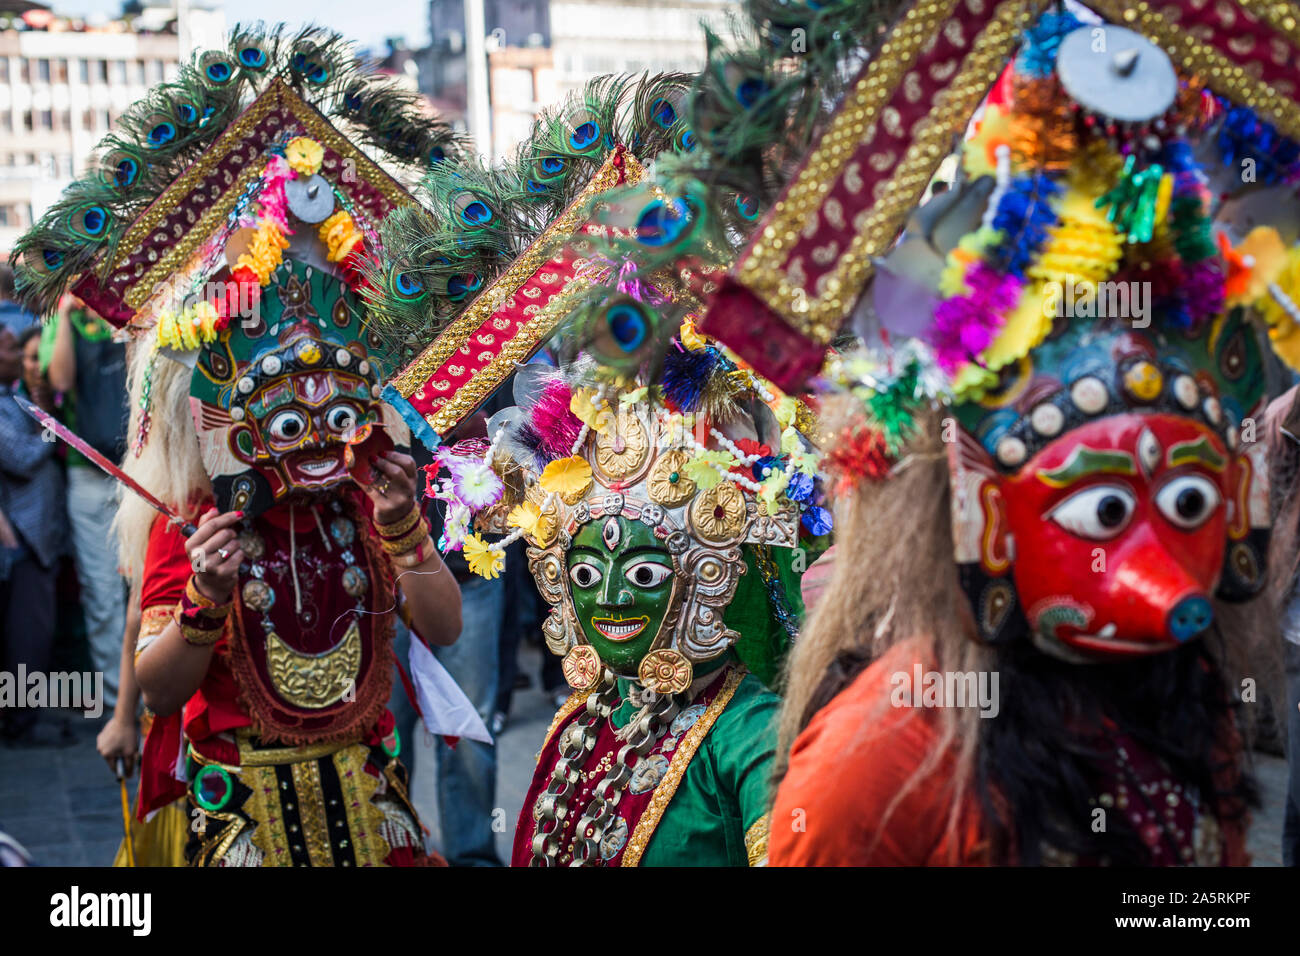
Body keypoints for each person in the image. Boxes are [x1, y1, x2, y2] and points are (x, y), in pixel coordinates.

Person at [758, 12, 1289, 865]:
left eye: (1188, 499)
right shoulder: (882, 758)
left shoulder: (1191, 701)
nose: (1156, 570)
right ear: (984, 514)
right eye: (1101, 508)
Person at [10, 25, 464, 866]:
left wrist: (408, 534)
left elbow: (442, 626)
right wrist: (208, 596)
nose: (317, 428)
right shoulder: (195, 519)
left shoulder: (367, 501)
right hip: (246, 820)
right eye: (284, 407)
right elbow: (158, 687)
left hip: (373, 810)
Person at [371, 77, 823, 866]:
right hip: (611, 683)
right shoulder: (590, 372)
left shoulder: (755, 345)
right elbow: (521, 478)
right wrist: (495, 474)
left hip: (737, 663)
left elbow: (801, 464)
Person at [46, 296, 128, 713]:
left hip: (139, 477)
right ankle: (119, 708)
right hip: (89, 478)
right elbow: (60, 381)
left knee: (149, 589)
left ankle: (157, 704)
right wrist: (63, 315)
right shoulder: (65, 322)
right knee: (102, 597)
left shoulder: (130, 311)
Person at [0, 322, 68, 746]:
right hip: (22, 540)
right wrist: (52, 423)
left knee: (33, 634)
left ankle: (21, 717)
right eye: (10, 349)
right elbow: (22, 456)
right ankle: (19, 722)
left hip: (38, 537)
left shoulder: (14, 398)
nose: (20, 358)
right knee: (27, 637)